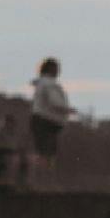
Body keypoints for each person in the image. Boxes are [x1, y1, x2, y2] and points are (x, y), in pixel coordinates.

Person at [28, 57, 74, 185]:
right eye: (57, 68)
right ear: (51, 69)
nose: (58, 71)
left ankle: (39, 179)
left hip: (40, 121)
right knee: (47, 154)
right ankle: (44, 180)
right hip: (46, 122)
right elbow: (54, 102)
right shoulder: (49, 84)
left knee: (42, 152)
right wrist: (68, 109)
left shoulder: (41, 83)